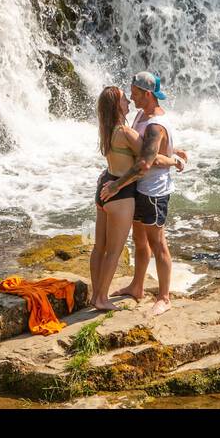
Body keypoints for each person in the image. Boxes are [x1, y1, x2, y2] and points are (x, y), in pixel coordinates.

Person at [90, 85, 186, 312]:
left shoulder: (107, 129)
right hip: (119, 193)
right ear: (117, 106)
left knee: (99, 248)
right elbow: (149, 160)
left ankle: (97, 294)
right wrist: (175, 160)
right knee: (114, 250)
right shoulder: (126, 132)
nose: (129, 102)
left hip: (104, 186)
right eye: (125, 99)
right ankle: (101, 299)